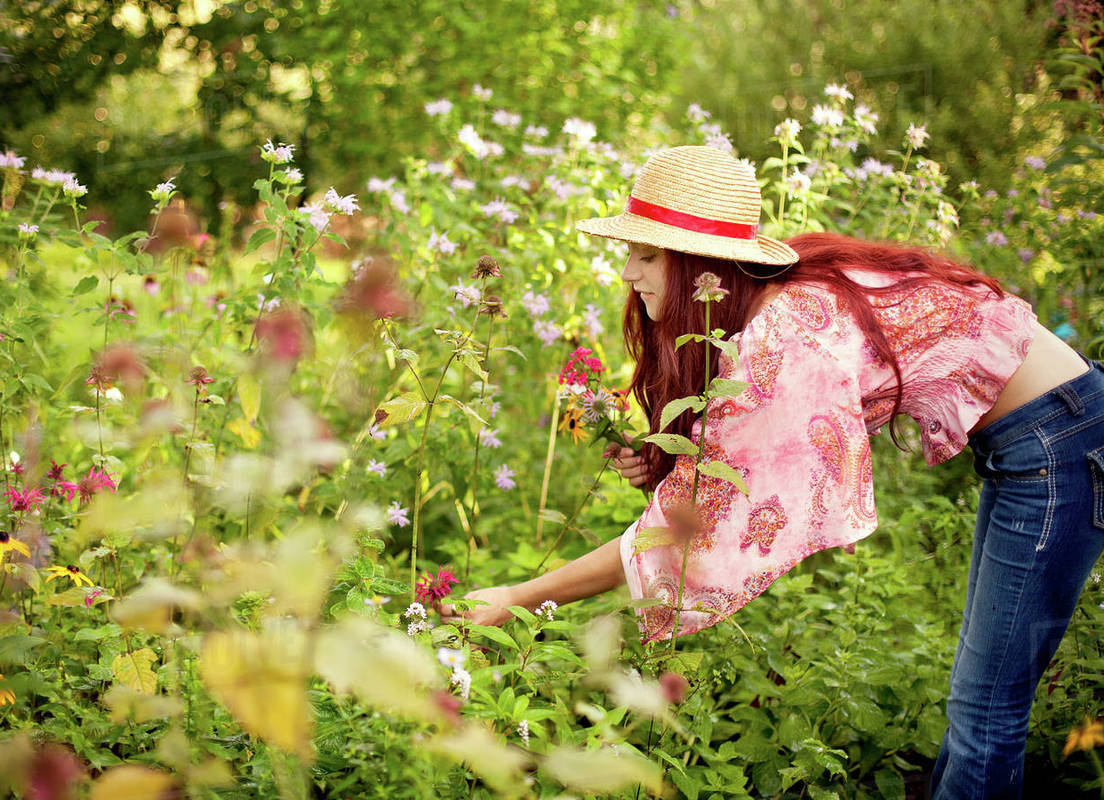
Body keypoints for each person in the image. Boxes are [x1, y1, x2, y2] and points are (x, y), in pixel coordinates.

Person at [439, 145, 1104, 797]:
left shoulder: (785, 341)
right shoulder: (768, 301)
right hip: (1044, 433)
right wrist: (667, 453)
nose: (627, 272)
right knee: (981, 698)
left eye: (646, 255)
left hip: (1060, 441)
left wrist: (516, 596)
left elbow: (678, 532)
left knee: (987, 710)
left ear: (700, 263)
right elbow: (729, 452)